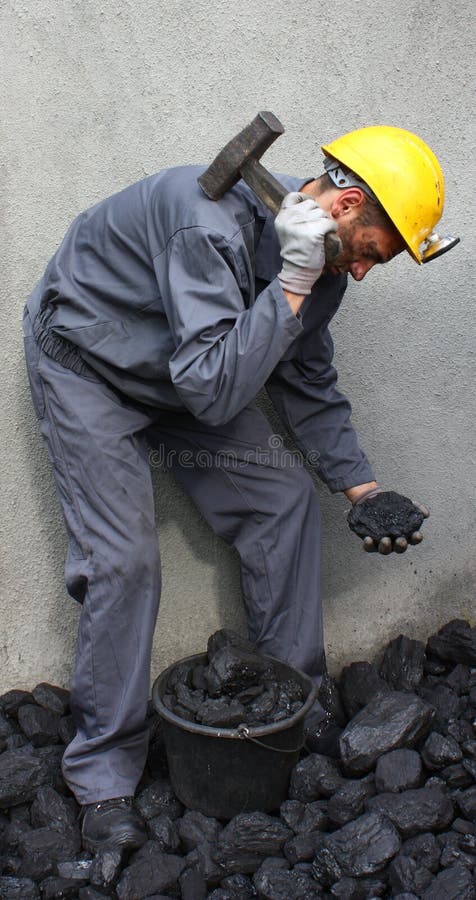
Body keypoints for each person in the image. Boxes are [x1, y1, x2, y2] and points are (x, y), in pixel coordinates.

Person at [23, 124, 455, 851]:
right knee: (124, 563)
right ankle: (103, 778)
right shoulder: (207, 225)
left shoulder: (316, 271)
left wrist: (362, 490)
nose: (361, 275)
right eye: (372, 255)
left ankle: (293, 703)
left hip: (186, 384)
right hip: (90, 370)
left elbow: (306, 384)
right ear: (348, 205)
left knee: (282, 501)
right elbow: (217, 391)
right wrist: (288, 282)